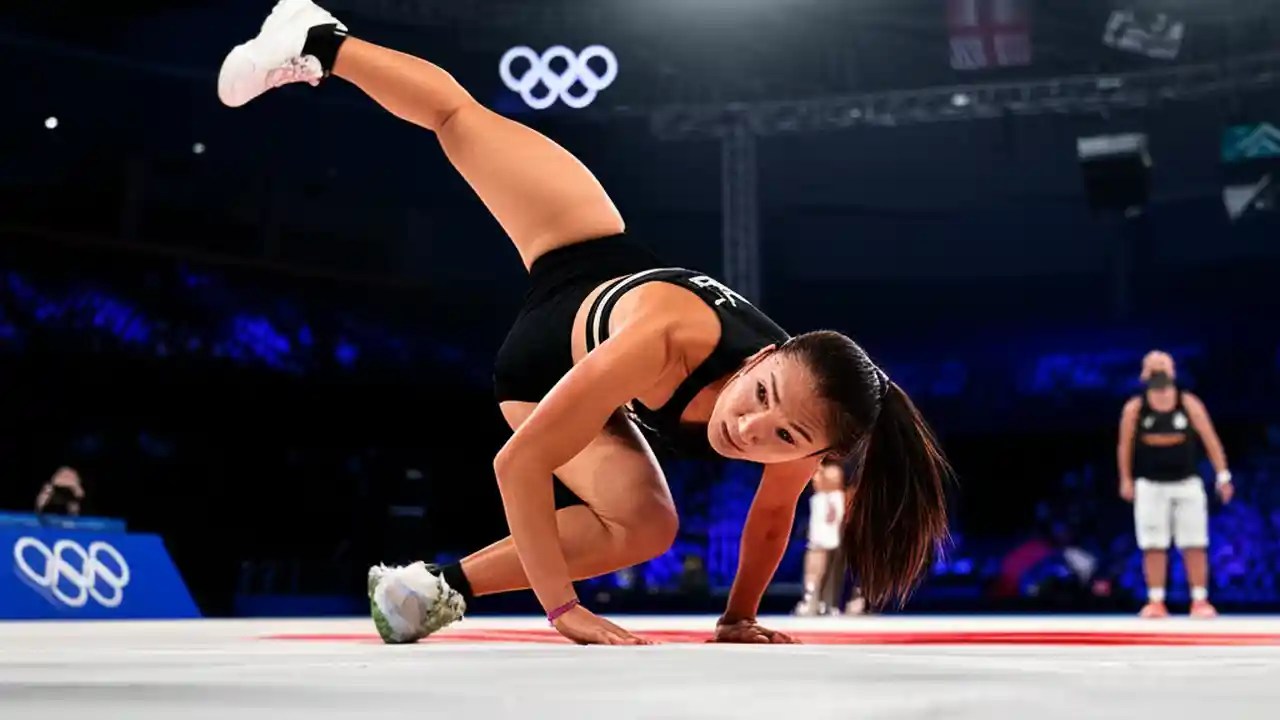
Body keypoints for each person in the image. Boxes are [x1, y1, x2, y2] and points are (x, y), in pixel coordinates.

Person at [217, 0, 953, 646]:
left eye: (787, 438)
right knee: (459, 118)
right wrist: (562, 608)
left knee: (647, 526)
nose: (752, 431)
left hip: (573, 341)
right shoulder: (669, 341)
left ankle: (425, 591)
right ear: (764, 358)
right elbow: (519, 465)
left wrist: (737, 616)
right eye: (760, 398)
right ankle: (319, 39)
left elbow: (768, 524)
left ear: (815, 449)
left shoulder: (805, 413)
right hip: (574, 288)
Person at [1117, 350, 1232, 619]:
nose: (1158, 371)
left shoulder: (1188, 403)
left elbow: (1210, 439)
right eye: (1153, 367)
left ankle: (1200, 600)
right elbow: (1125, 446)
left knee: (1194, 542)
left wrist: (1223, 475)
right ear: (1144, 374)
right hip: (1150, 485)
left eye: (1162, 366)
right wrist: (1125, 478)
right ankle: (1156, 600)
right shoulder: (1135, 408)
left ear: (1172, 372)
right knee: (1153, 543)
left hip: (1186, 483)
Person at [793, 459, 846, 616]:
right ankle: (811, 598)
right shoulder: (821, 492)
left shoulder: (836, 482)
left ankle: (827, 602)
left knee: (834, 561)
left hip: (837, 505)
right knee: (817, 552)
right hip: (824, 506)